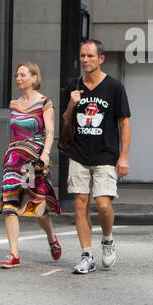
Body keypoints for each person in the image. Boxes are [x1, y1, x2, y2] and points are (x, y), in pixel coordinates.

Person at [61, 39, 130, 275]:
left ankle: (108, 239)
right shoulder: (74, 85)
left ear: (101, 59)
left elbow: (124, 123)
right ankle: (86, 255)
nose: (85, 60)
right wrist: (71, 104)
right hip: (79, 153)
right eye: (82, 56)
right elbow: (66, 120)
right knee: (80, 204)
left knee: (103, 204)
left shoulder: (114, 87)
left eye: (90, 56)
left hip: (105, 154)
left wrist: (123, 157)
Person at [0, 62, 62, 268]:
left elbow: (50, 132)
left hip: (32, 162)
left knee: (34, 205)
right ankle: (13, 254)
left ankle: (51, 237)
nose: (18, 78)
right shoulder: (13, 104)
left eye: (23, 75)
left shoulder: (45, 102)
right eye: (17, 75)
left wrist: (45, 155)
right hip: (13, 161)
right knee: (10, 205)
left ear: (34, 78)